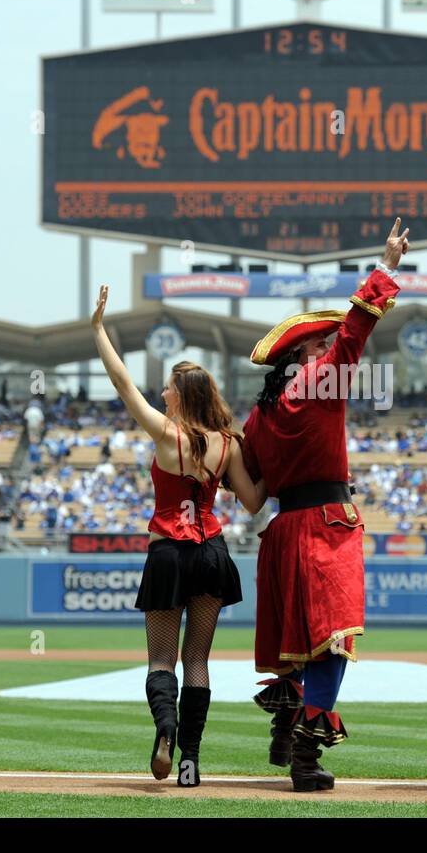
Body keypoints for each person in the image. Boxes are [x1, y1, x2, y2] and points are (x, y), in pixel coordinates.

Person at [243, 219, 407, 791]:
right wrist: (386, 267)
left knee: (298, 640)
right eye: (322, 342)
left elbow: (250, 486)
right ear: (306, 353)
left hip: (281, 530)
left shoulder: (259, 416)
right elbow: (359, 326)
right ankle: (305, 758)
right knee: (334, 638)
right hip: (325, 526)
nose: (331, 347)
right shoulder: (320, 380)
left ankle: (287, 726)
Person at [91, 285, 266, 786]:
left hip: (168, 550)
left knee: (160, 657)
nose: (161, 392)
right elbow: (253, 502)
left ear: (180, 395)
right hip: (211, 551)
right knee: (199, 660)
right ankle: (190, 757)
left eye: (168, 388)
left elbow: (123, 384)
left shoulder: (166, 434)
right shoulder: (227, 444)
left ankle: (164, 730)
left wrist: (99, 330)